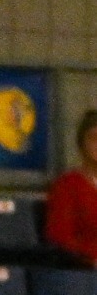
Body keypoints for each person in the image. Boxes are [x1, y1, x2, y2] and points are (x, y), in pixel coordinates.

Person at [44, 108, 97, 266]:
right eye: (94, 138)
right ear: (82, 144)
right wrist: (89, 259)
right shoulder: (68, 186)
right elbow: (60, 237)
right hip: (86, 272)